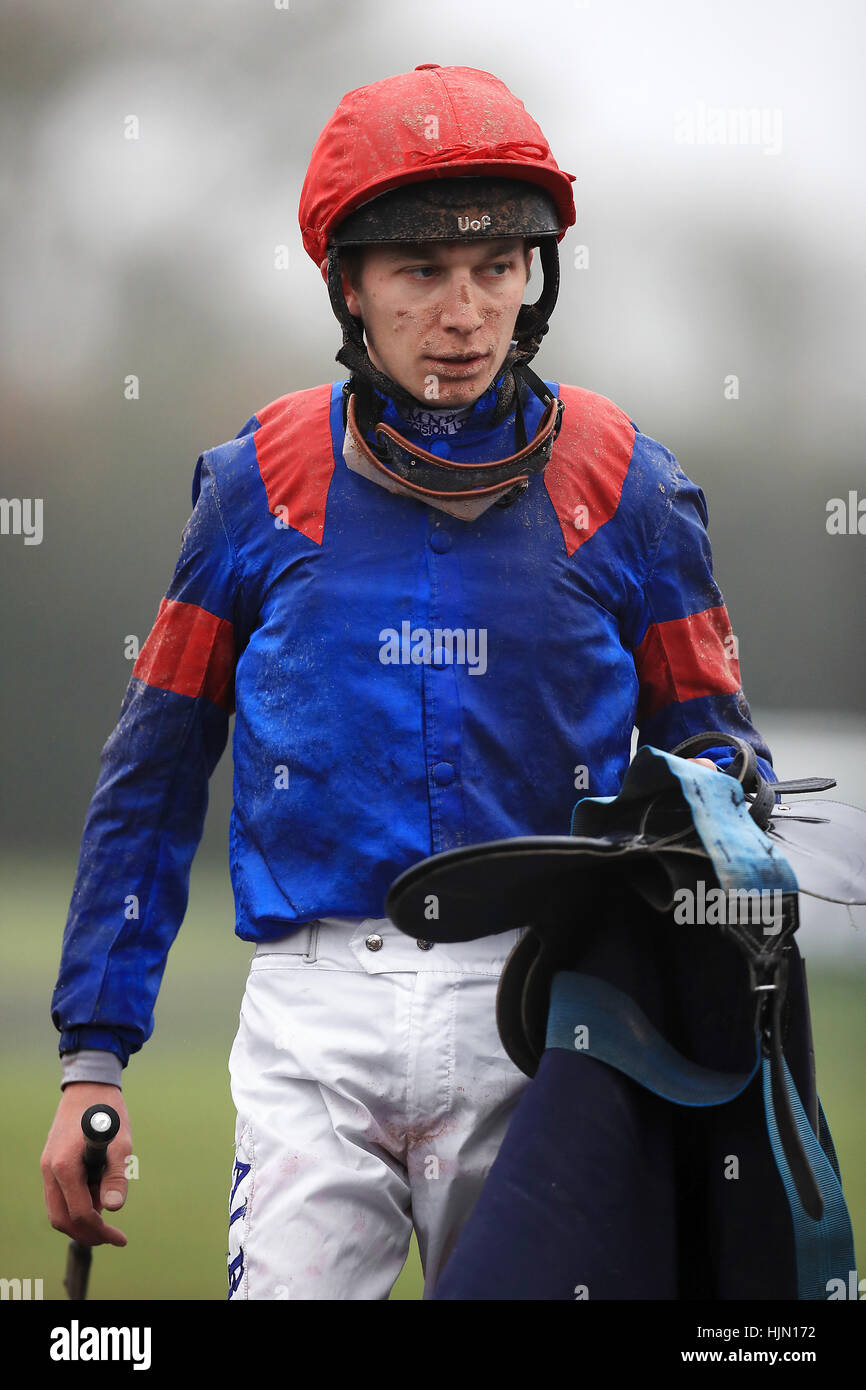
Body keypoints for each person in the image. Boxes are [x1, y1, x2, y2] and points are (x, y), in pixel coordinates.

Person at [41, 63, 775, 1301]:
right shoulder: (250, 483)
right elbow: (152, 780)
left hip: (547, 1018)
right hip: (311, 1023)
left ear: (534, 280)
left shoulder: (631, 485)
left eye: (496, 268)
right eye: (420, 271)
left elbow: (720, 761)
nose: (464, 312)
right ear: (349, 287)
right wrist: (91, 1058)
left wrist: (715, 871)